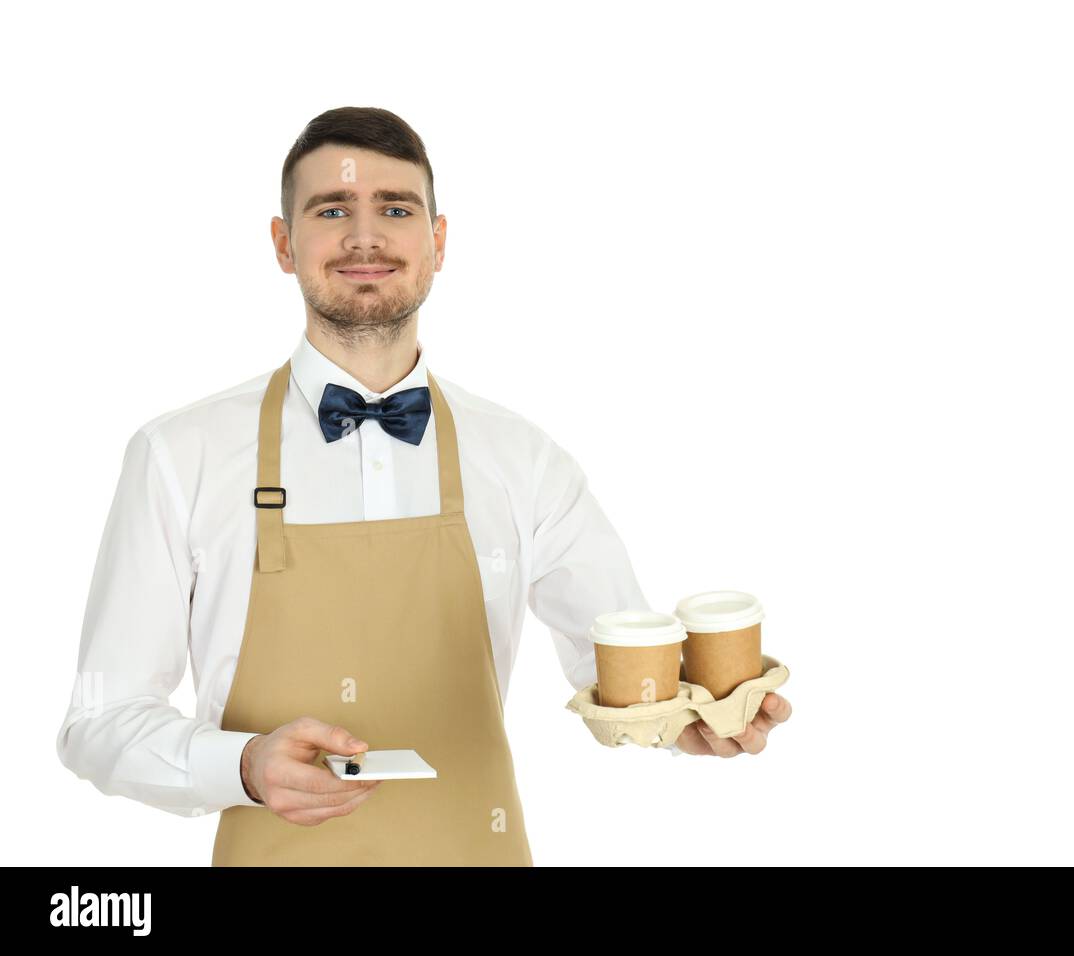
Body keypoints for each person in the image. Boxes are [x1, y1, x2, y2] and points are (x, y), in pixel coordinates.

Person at [55, 106, 792, 866]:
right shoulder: (179, 455)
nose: (365, 237)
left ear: (438, 243)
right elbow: (99, 720)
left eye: (396, 209)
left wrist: (695, 720)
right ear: (284, 244)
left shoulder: (523, 458)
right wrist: (240, 765)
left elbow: (624, 663)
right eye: (332, 209)